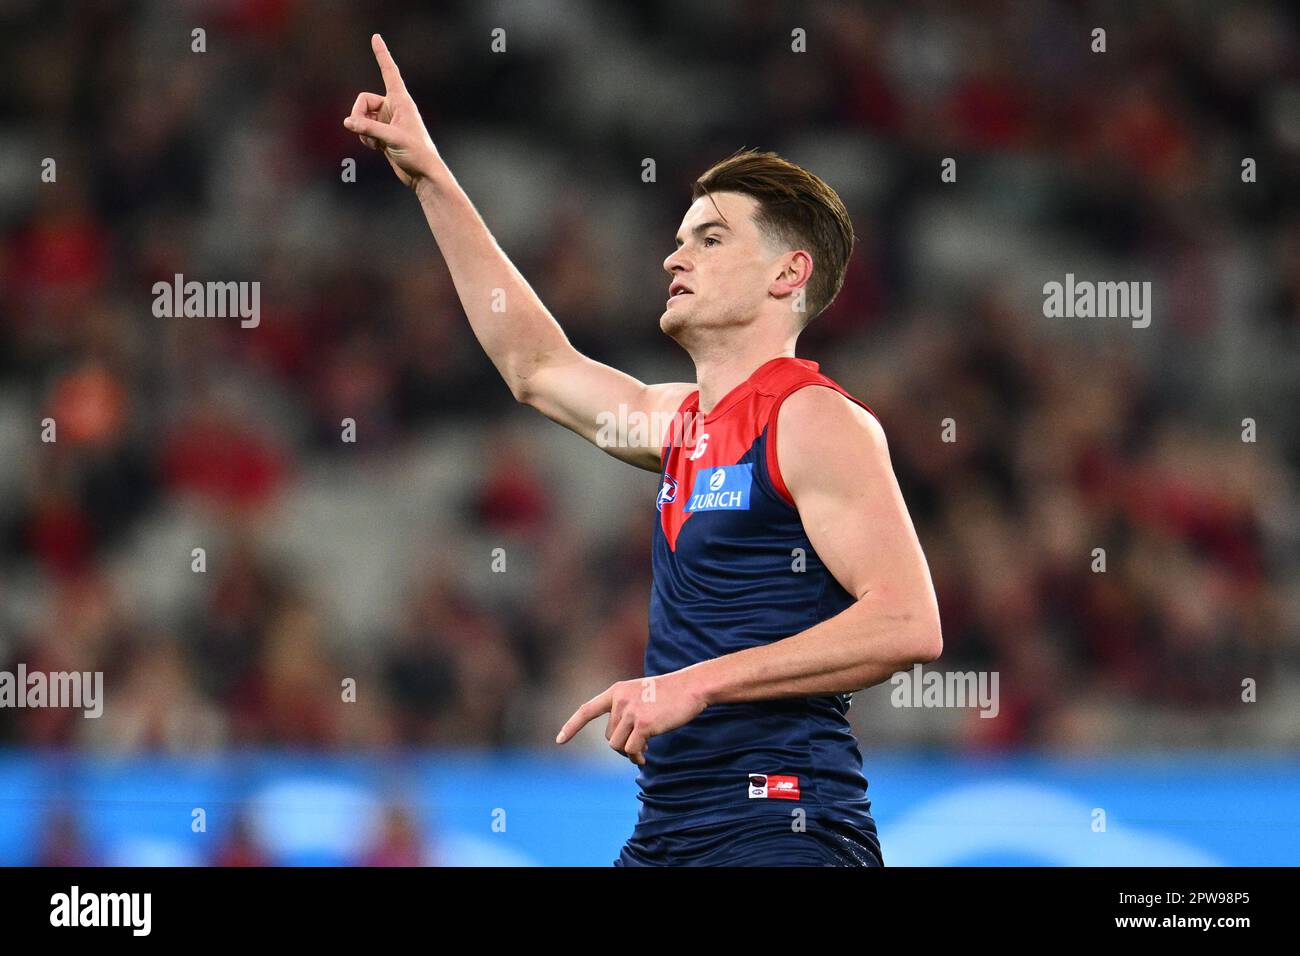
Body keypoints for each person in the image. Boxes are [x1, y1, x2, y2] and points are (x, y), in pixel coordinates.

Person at [344, 34, 942, 866]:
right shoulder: (682, 424)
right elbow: (538, 367)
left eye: (709, 238)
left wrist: (696, 683)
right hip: (673, 828)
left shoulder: (813, 419)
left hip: (781, 824)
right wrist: (432, 178)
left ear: (786, 273)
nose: (673, 255)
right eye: (679, 237)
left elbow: (908, 622)